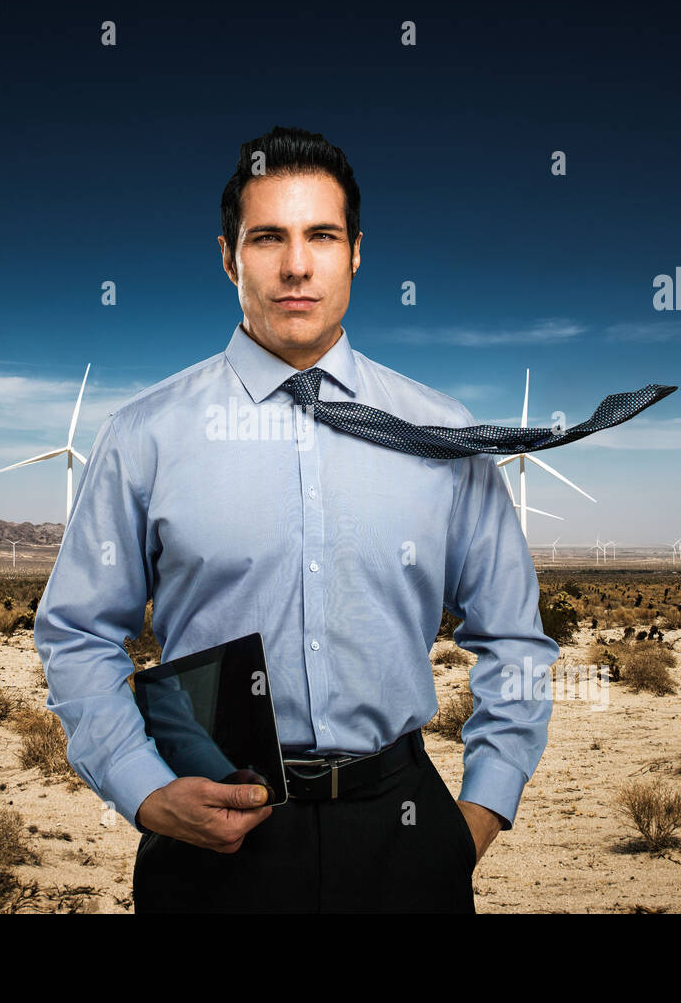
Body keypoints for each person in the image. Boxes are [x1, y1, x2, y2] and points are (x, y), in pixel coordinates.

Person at [35, 125, 561, 913]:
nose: (295, 265)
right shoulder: (144, 435)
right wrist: (145, 792)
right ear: (228, 257)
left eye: (321, 235)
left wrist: (477, 813)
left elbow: (515, 638)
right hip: (212, 843)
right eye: (267, 238)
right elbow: (77, 633)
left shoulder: (442, 431)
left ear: (355, 252)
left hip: (404, 831)